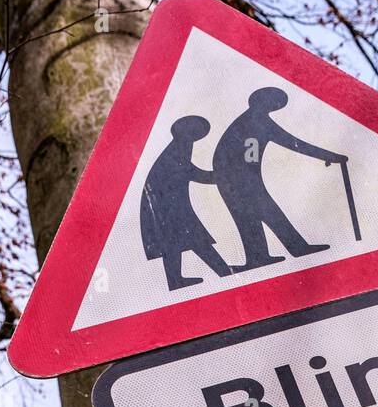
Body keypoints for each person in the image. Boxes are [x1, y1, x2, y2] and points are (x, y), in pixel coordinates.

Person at [212, 88, 349, 270]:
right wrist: (331, 156)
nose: (275, 107)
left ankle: (260, 256)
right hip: (239, 179)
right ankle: (291, 248)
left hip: (237, 178)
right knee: (264, 212)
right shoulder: (256, 121)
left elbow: (290, 144)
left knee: (251, 216)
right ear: (262, 102)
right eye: (274, 103)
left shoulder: (252, 121)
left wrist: (329, 156)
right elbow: (295, 143)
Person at [140, 116, 234, 291]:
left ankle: (178, 279)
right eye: (196, 131)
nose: (198, 135)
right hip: (165, 204)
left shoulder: (180, 146)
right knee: (191, 237)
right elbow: (191, 172)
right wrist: (221, 176)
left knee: (175, 242)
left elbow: (188, 171)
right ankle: (222, 270)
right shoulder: (178, 148)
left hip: (166, 202)